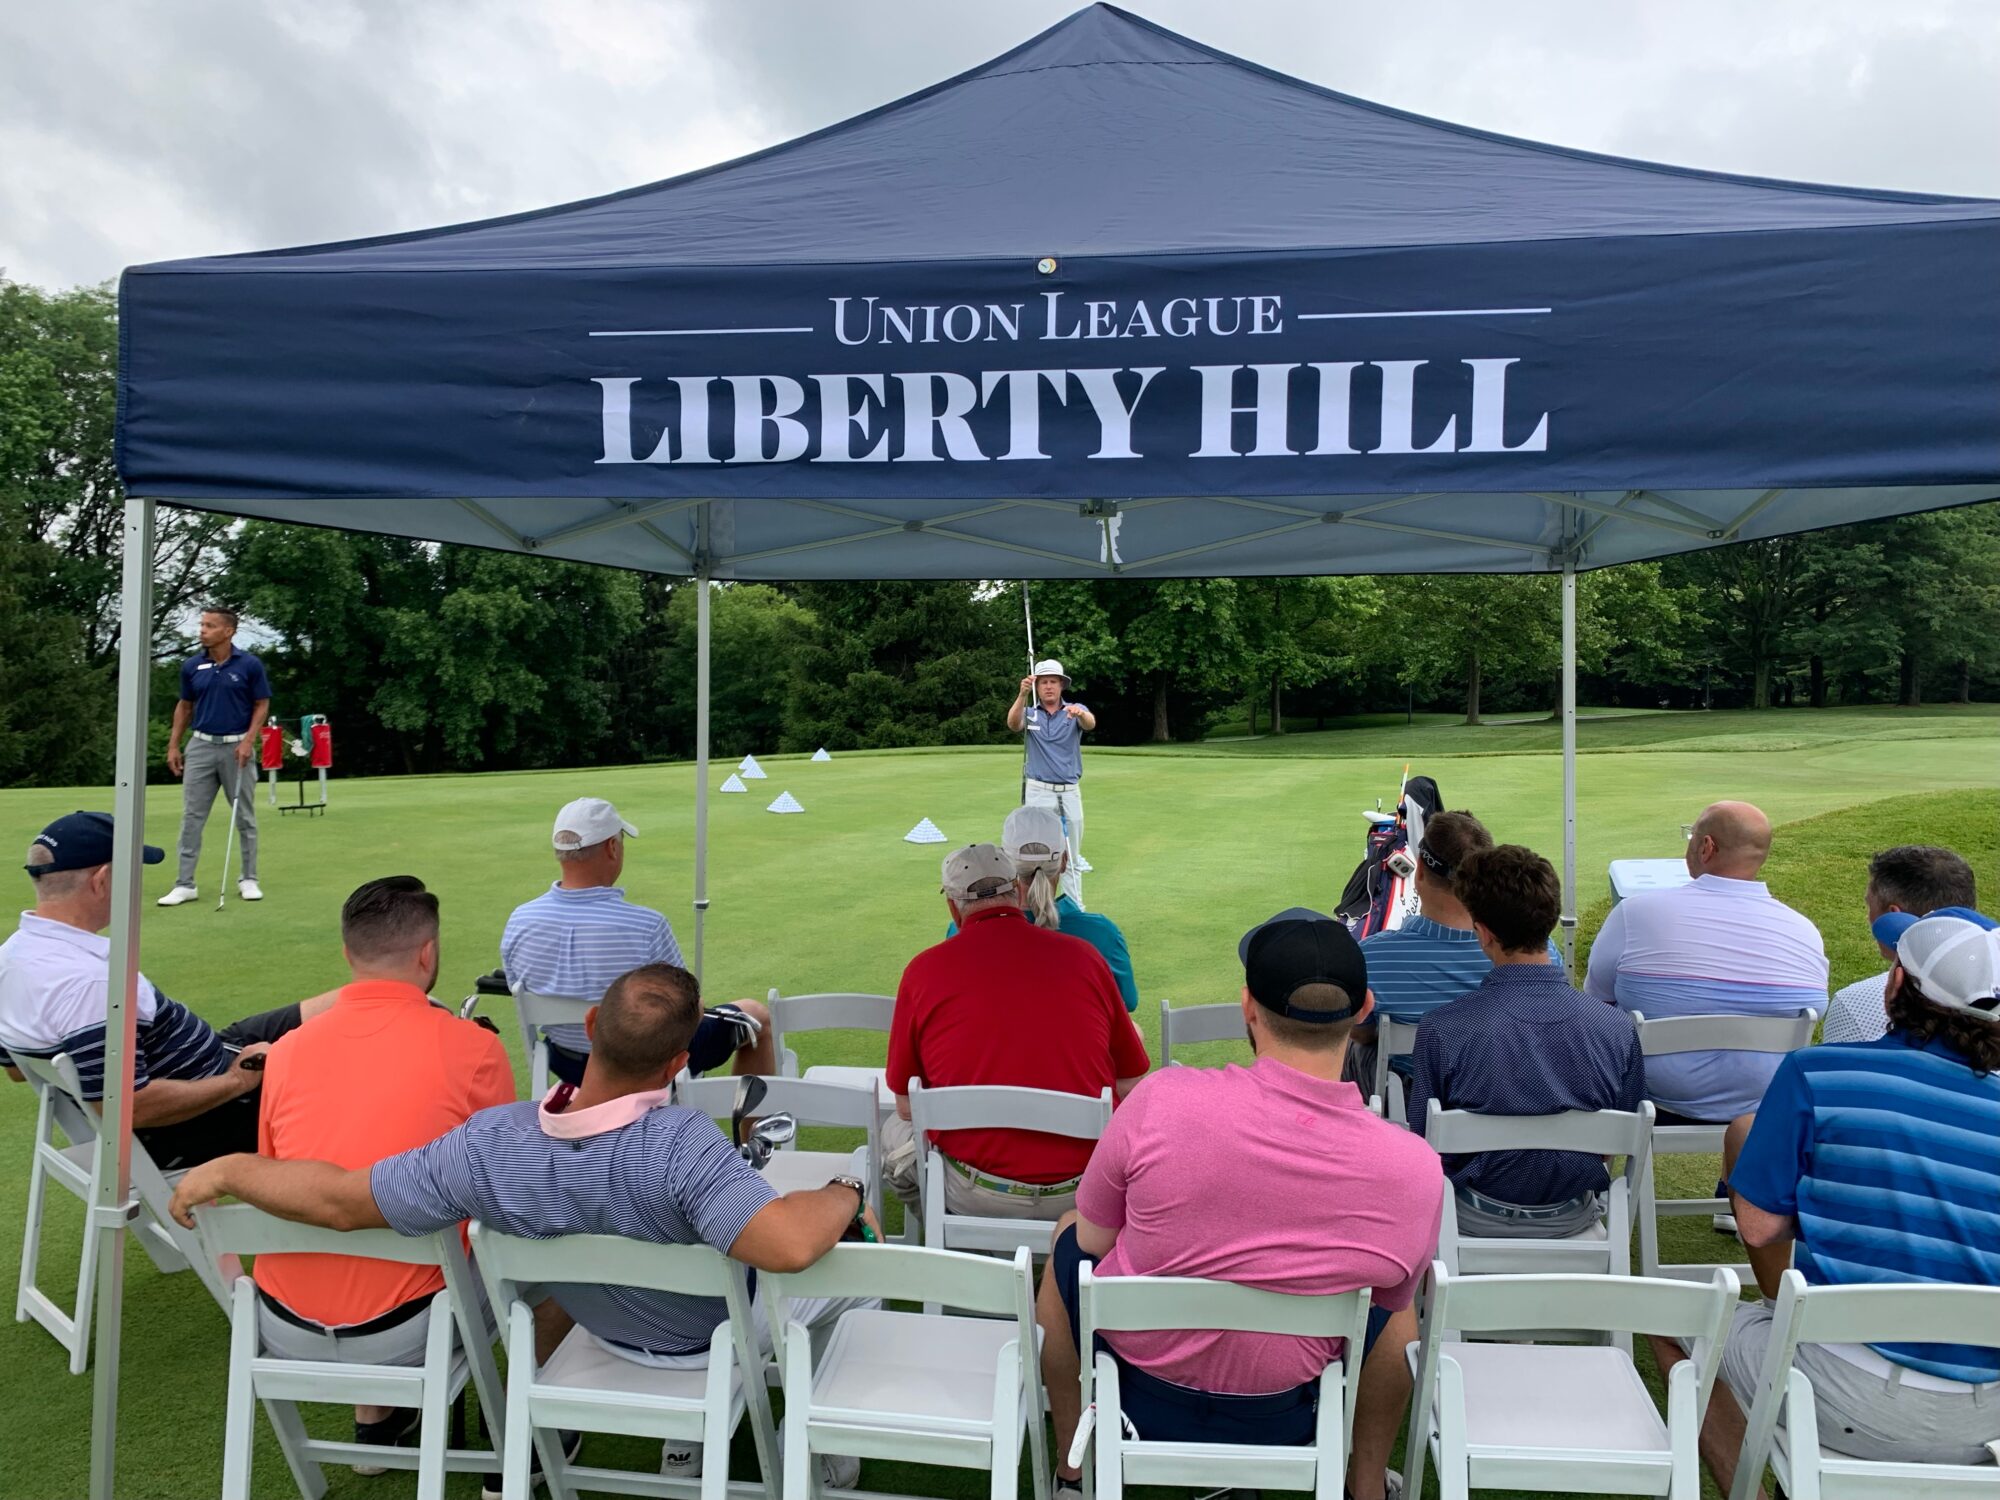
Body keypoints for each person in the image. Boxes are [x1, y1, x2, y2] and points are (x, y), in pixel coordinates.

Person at [170, 963, 878, 1487]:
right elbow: (788, 1243)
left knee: (566, 1280)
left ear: (593, 1028)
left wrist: (234, 1169)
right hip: (709, 1338)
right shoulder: (682, 1144)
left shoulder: (490, 1143)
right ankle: (828, 1455)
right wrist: (847, 1189)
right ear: (678, 1063)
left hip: (603, 1326)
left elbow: (340, 1199)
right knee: (863, 1261)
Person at [1037, 910, 1442, 1500]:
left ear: (1248, 1006)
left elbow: (1094, 1241)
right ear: (1363, 1011)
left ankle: (1074, 1473)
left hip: (1139, 1391)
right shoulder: (1411, 1168)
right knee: (1397, 1312)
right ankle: (1365, 1486)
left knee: (1067, 1242)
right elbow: (1388, 1299)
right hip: (1286, 1412)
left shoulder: (1161, 1101)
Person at [1650, 908, 2000, 1491]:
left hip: (1841, 1393)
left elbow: (1759, 1229)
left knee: (1669, 1323)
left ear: (1895, 986)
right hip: (1985, 1416)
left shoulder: (1819, 1073)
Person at [252, 876, 514, 1467]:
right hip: (411, 1327)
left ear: (348, 955)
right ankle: (533, 1436)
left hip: (280, 1323)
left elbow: (278, 1176)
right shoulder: (473, 1048)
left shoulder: (287, 1051)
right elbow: (498, 1189)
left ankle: (375, 1417)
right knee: (534, 1251)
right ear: (428, 953)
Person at [0, 812, 332, 1168]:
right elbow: (128, 1105)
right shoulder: (92, 985)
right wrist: (237, 1080)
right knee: (351, 1078)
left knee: (338, 1005)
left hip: (211, 1059)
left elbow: (18, 1070)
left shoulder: (13, 956)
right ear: (103, 880)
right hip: (208, 1114)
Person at [883, 843, 1149, 1221]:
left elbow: (907, 1106)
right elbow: (1131, 1081)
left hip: (974, 1191)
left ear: (953, 908)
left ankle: (958, 1246)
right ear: (1018, 892)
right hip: (1087, 1189)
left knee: (891, 1132)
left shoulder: (923, 971)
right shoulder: (1085, 957)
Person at [1405, 844, 1646, 1237]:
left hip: (1468, 1217)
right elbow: (1621, 1133)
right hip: (1571, 1214)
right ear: (1549, 922)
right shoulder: (1616, 1028)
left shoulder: (1443, 1030)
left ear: (1483, 934)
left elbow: (1424, 1145)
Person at [501, 796, 774, 1088]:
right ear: (611, 847)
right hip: (641, 1065)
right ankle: (754, 1135)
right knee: (757, 1017)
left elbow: (515, 985)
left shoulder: (519, 919)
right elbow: (686, 1011)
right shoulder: (647, 926)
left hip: (564, 1061)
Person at [1583, 801, 1828, 1122]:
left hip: (1653, 1093)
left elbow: (1595, 1002)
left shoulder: (1636, 913)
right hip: (1762, 1098)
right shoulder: (1803, 931)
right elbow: (1814, 1009)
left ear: (1706, 847)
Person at [1346, 811, 1561, 1087]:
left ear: (1419, 870)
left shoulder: (1371, 958)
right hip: (1510, 1088)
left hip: (1417, 1102)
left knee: (1349, 1046)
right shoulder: (1539, 952)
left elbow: (1360, 1033)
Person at [945, 806, 1139, 1011]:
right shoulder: (1102, 932)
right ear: (1064, 861)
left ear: (1004, 864)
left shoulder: (961, 930)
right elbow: (1128, 1002)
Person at [159, 605, 271, 906]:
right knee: (192, 817)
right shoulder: (192, 666)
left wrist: (249, 740)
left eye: (209, 625)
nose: (202, 630)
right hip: (200, 746)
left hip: (237, 748)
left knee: (244, 817)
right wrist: (173, 745)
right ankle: (185, 884)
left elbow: (262, 704)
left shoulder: (248, 665)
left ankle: (249, 878)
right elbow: (184, 706)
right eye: (202, 625)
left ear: (228, 631)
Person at [1820, 845, 1977, 1044]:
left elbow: (1835, 1071)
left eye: (1869, 905)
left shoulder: (1855, 1003)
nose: (1868, 916)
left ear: (1894, 917)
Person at [1006, 659, 1095, 906]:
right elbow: (1013, 725)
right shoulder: (1030, 712)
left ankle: (1075, 908)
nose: (1048, 687)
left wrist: (1082, 715)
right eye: (1043, 682)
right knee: (1037, 855)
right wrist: (1022, 694)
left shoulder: (1074, 710)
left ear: (1061, 686)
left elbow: (1090, 723)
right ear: (1037, 686)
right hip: (1038, 791)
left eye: (1053, 682)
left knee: (1072, 856)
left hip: (1069, 791)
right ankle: (1035, 907)